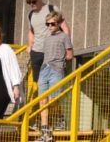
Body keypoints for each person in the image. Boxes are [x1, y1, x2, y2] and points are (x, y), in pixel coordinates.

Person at [24, 0, 71, 84]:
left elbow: (65, 28)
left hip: (53, 53)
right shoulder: (30, 14)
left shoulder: (52, 9)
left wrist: (67, 48)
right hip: (36, 53)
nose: (31, 4)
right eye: (29, 2)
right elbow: (31, 31)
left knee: (53, 84)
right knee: (40, 84)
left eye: (33, 1)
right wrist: (29, 46)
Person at [38, 12, 73, 140]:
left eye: (53, 24)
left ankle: (60, 117)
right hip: (44, 69)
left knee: (53, 99)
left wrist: (61, 62)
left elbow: (70, 54)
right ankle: (45, 130)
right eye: (47, 24)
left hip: (56, 70)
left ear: (58, 24)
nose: (50, 26)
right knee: (42, 100)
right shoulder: (46, 38)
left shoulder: (64, 36)